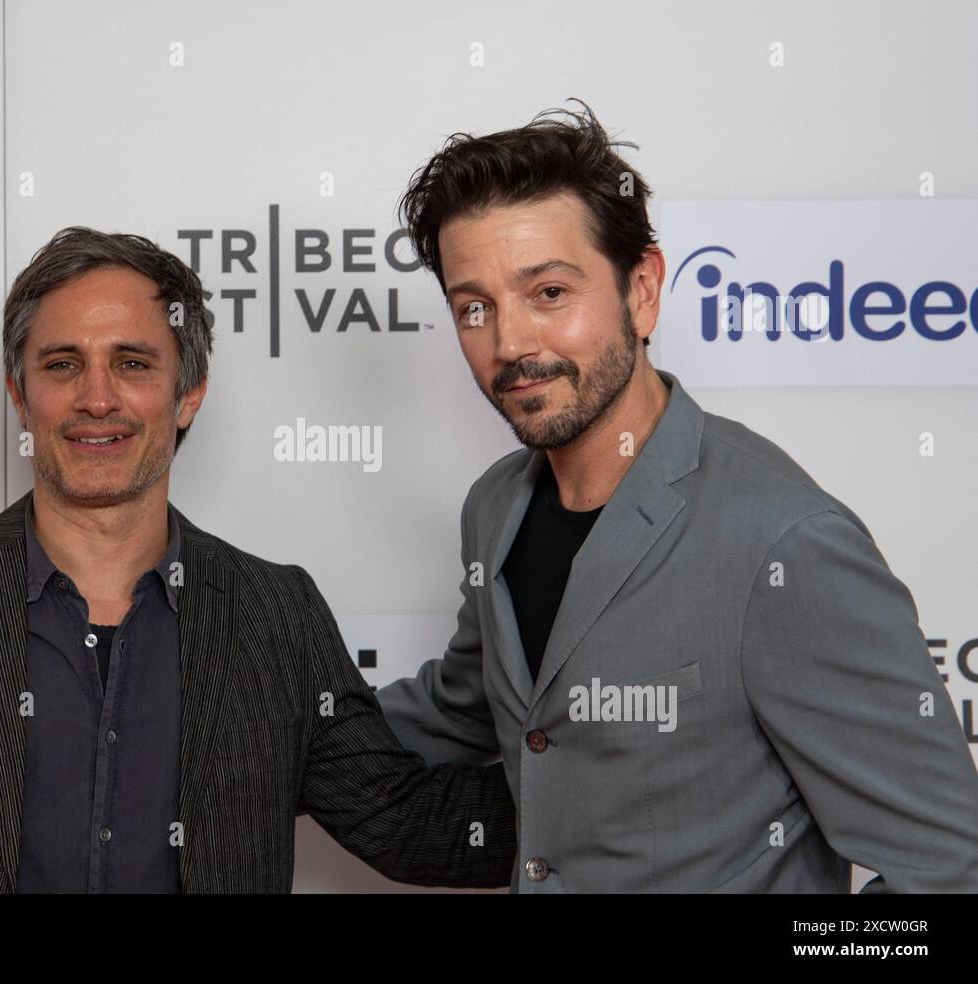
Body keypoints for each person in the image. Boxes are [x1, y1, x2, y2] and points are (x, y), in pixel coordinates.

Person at [0, 227, 515, 893]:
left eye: (131, 363)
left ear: (188, 394)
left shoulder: (274, 613)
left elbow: (403, 820)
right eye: (62, 365)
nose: (97, 398)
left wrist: (610, 797)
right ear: (20, 397)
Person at [376, 101, 978, 893]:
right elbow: (463, 706)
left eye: (550, 292)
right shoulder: (495, 508)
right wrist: (248, 723)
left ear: (644, 289)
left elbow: (949, 869)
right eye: (474, 308)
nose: (511, 342)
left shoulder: (783, 540)